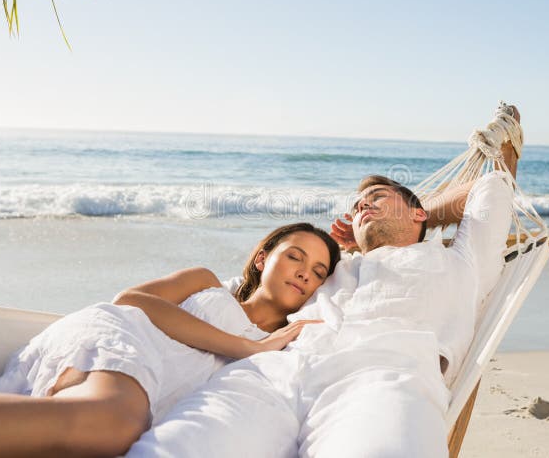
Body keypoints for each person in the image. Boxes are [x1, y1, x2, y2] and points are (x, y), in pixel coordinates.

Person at [125, 108, 521, 458]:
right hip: (275, 374)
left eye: (377, 197)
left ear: (420, 213)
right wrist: (366, 238)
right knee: (181, 445)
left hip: (381, 377)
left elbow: (492, 187)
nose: (362, 205)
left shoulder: (461, 260)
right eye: (358, 205)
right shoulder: (335, 268)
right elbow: (259, 290)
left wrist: (416, 216)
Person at [0, 222, 340, 457]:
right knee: (113, 421)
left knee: (100, 430)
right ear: (262, 258)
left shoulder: (288, 342)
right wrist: (246, 347)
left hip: (148, 390)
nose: (306, 272)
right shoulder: (206, 283)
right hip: (123, 339)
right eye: (295, 256)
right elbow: (132, 300)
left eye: (320, 271)